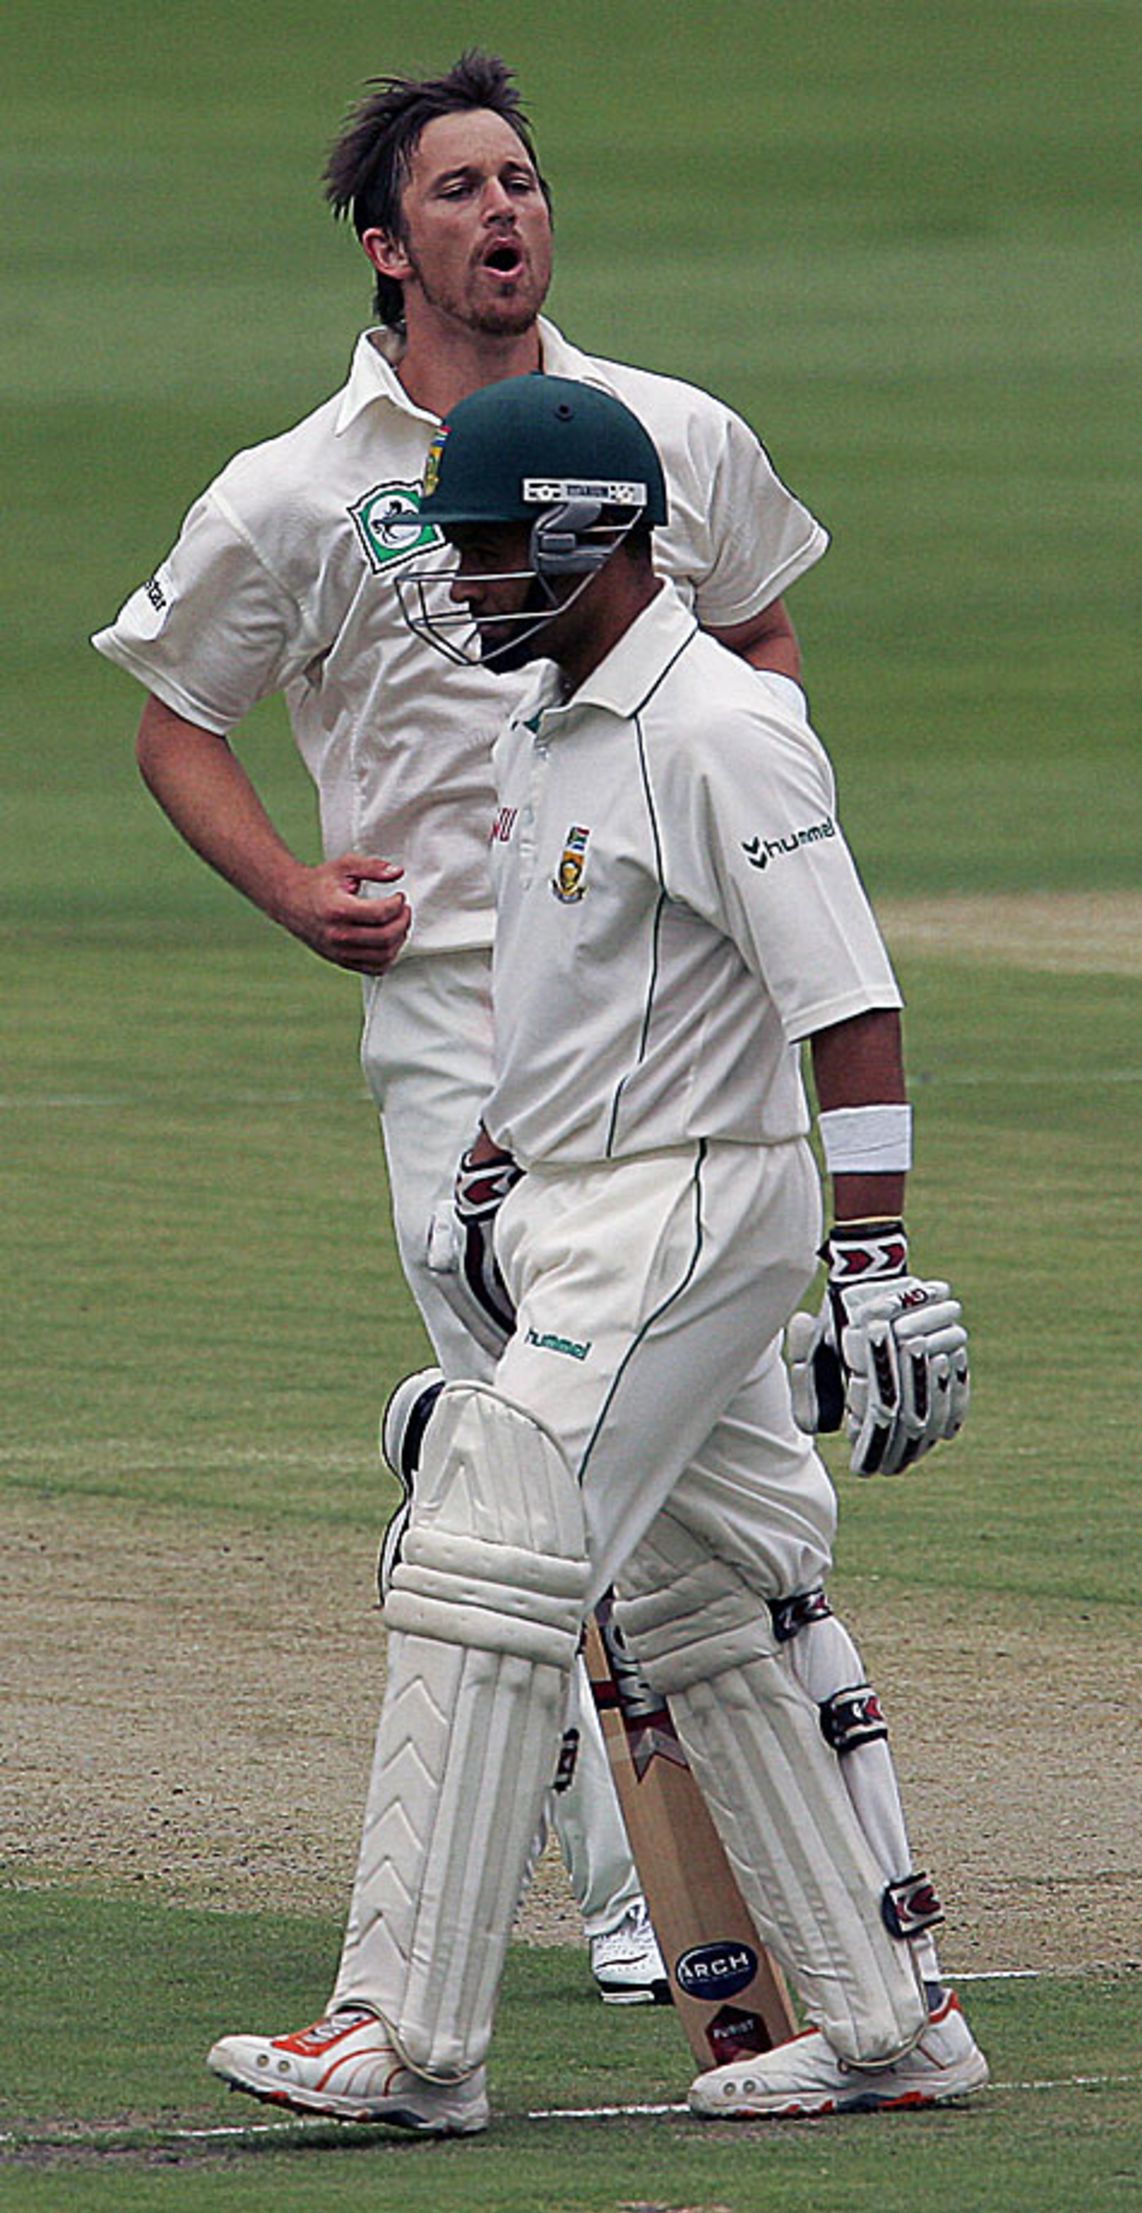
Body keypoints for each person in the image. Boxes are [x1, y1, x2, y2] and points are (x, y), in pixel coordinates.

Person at [90, 53, 829, 2008]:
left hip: (677, 1017)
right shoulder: (300, 488)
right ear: (386, 242)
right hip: (457, 1027)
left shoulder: (661, 430)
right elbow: (182, 719)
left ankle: (764, 1885)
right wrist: (294, 888)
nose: (506, 214)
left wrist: (763, 842)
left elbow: (759, 635)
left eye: (524, 180)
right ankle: (632, 1896)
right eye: (460, 190)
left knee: (700, 1451)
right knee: (538, 1447)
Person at [204, 375, 986, 2133]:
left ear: (585, 533)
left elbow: (846, 1003)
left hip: (695, 1199)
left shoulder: (723, 727)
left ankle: (406, 2038)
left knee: (488, 1541)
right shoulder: (542, 722)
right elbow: (573, 992)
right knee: (702, 1599)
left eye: (489, 550)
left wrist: (877, 1263)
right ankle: (885, 2021)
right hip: (587, 1196)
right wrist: (497, 1159)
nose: (464, 586)